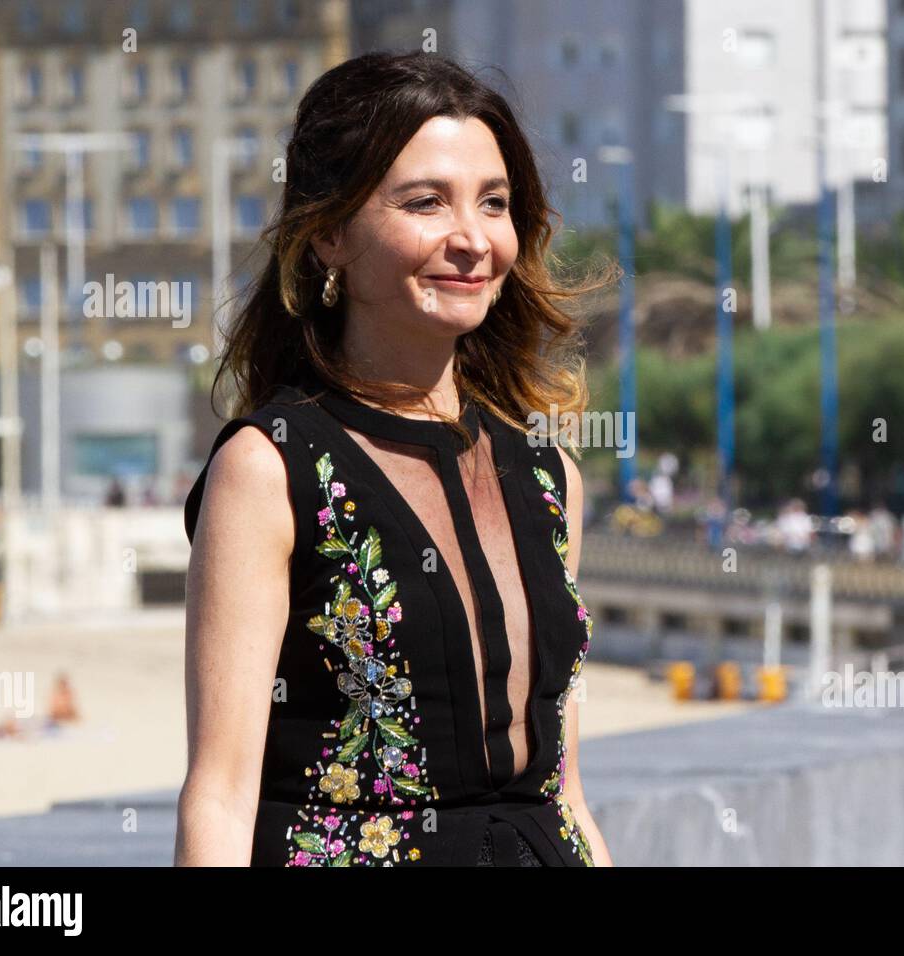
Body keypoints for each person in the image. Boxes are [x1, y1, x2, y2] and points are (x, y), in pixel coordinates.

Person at [176, 54, 612, 868]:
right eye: (425, 203)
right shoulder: (271, 468)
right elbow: (221, 792)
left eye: (494, 203)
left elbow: (564, 789)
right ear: (330, 232)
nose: (471, 240)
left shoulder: (551, 481)